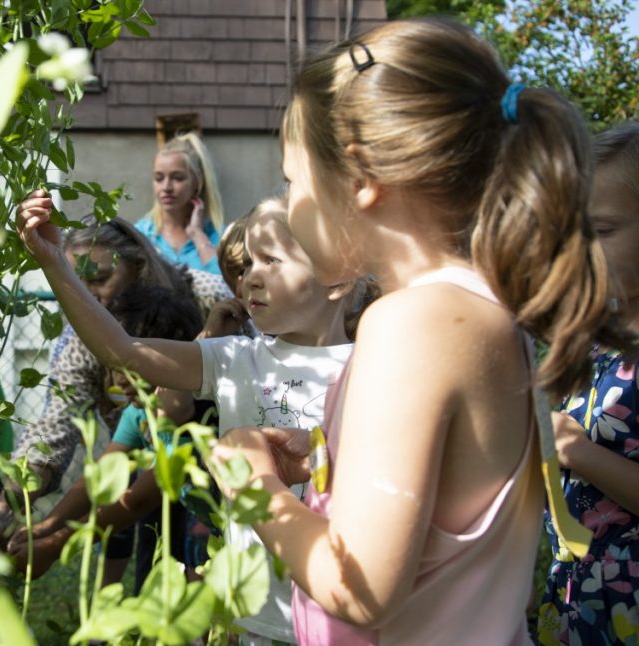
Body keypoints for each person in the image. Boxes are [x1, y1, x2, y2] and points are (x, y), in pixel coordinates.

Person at [209, 17, 637, 645]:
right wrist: (329, 454)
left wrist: (255, 487)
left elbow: (359, 587)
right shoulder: (477, 311)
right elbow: (450, 495)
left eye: (292, 180)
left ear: (359, 181)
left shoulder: (412, 324)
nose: (290, 201)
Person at [17, 194, 357, 643]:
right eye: (249, 261)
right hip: (252, 618)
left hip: (340, 617)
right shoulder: (234, 359)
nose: (251, 276)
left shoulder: (368, 366)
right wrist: (53, 262)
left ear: (338, 280)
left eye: (271, 260)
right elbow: (124, 351)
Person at [0, 213, 232, 552]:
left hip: (227, 472)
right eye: (77, 286)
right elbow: (58, 431)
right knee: (155, 552)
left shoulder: (209, 301)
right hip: (153, 466)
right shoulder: (82, 345)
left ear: (137, 267)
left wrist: (56, 541)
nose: (89, 297)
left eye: (100, 278)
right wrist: (5, 507)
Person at [6, 284, 213, 590]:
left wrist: (56, 545)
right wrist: (45, 528)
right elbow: (97, 477)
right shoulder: (138, 412)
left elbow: (138, 500)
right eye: (114, 365)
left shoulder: (196, 417)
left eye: (132, 366)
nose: (118, 379)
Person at [537, 122, 639, 645]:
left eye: (601, 232)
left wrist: (576, 448)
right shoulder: (595, 341)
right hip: (577, 596)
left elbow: (573, 448)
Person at [135, 132, 226, 274]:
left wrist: (197, 234)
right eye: (159, 179)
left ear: (197, 182)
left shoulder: (218, 235)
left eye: (177, 178)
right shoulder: (141, 233)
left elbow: (225, 285)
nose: (166, 187)